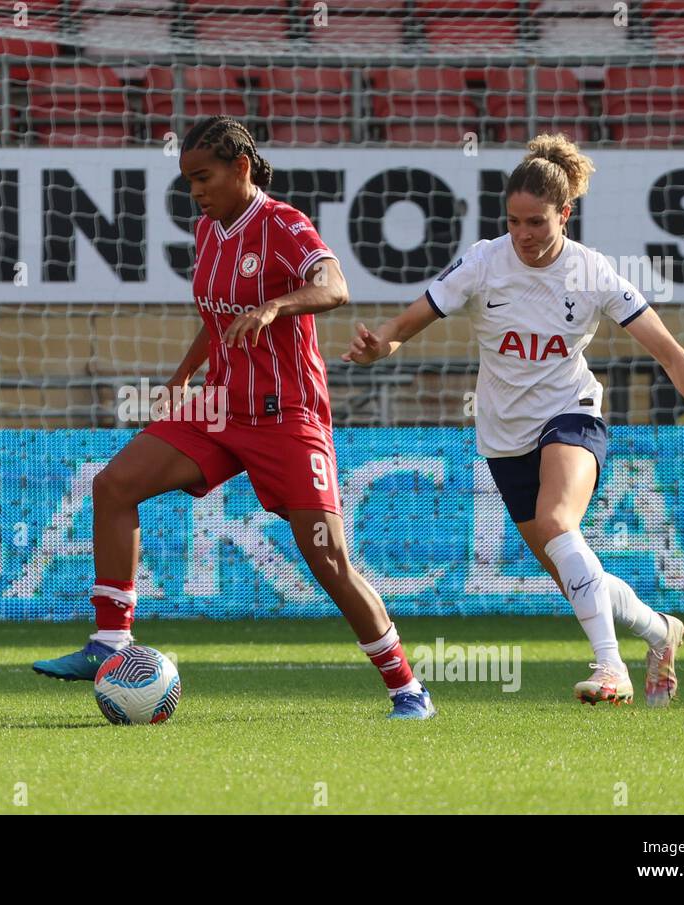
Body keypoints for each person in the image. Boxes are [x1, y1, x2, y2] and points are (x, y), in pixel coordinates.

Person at [32, 116, 435, 719]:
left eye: (204, 177)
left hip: (287, 416)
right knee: (113, 485)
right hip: (219, 407)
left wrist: (277, 305)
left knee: (327, 559)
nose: (196, 191)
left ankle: (407, 689)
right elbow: (219, 315)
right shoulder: (209, 230)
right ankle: (111, 641)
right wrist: (184, 373)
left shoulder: (283, 224)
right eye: (188, 180)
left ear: (240, 167)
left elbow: (335, 286)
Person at [343, 133, 684, 707]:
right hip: (502, 432)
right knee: (570, 569)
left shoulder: (592, 273)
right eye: (514, 222)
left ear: (564, 214)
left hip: (572, 413)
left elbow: (669, 350)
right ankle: (661, 632)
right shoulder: (482, 263)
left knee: (560, 524)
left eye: (536, 222)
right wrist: (379, 348)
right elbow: (406, 325)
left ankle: (609, 668)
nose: (524, 235)